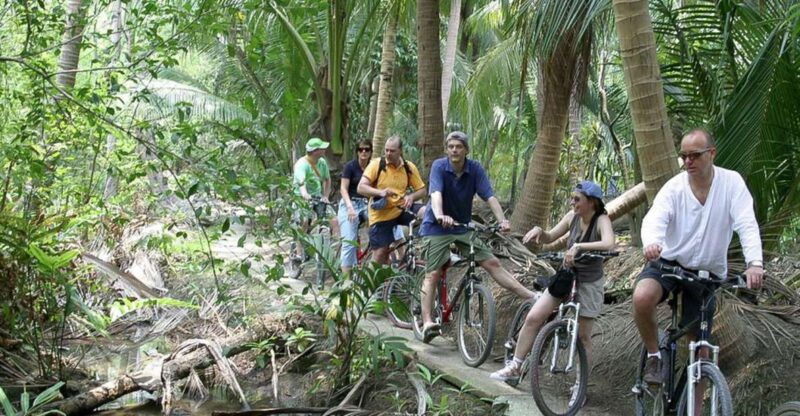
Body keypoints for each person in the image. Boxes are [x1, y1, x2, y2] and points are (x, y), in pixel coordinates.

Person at [633, 128, 764, 390]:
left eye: (694, 155)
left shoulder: (732, 183)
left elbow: (746, 224)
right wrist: (652, 243)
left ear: (711, 153)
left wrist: (755, 263)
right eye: (684, 156)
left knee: (701, 352)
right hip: (669, 262)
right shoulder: (675, 187)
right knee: (642, 296)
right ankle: (654, 356)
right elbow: (655, 218)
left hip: (706, 272)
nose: (688, 162)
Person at [490, 180, 615, 402]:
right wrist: (540, 231)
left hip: (589, 282)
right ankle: (516, 366)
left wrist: (579, 247)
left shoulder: (601, 219)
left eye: (577, 199)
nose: (572, 202)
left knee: (584, 336)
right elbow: (551, 236)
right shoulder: (571, 217)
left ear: (591, 202)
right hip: (567, 277)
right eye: (572, 198)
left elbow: (608, 243)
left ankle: (580, 385)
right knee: (535, 317)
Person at [418, 131, 538, 344]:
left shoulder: (475, 169)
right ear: (447, 149)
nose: (454, 150)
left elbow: (489, 196)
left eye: (459, 146)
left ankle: (530, 296)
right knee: (433, 273)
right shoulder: (439, 166)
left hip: (462, 227)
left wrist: (503, 221)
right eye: (451, 146)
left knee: (492, 262)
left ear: (466, 150)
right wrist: (439, 215)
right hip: (437, 227)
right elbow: (435, 194)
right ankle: (427, 321)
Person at [357, 135, 426, 265]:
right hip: (381, 215)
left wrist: (411, 197)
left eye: (392, 151)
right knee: (380, 253)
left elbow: (422, 190)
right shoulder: (377, 164)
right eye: (386, 150)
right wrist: (380, 192)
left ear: (400, 151)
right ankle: (370, 283)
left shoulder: (408, 167)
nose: (388, 153)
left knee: (427, 212)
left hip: (401, 208)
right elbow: (361, 187)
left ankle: (433, 249)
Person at [338, 140, 404, 275]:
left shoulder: (376, 166)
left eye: (367, 149)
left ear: (371, 152)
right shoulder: (350, 167)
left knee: (393, 224)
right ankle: (346, 283)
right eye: (361, 149)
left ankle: (403, 262)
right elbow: (343, 190)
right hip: (350, 204)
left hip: (369, 204)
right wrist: (350, 207)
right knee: (349, 243)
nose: (364, 152)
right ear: (357, 151)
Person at [291, 137, 338, 262]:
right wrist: (305, 195)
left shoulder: (322, 162)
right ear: (315, 151)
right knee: (304, 222)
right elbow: (301, 183)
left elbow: (327, 179)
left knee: (334, 219)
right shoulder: (302, 164)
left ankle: (335, 250)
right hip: (301, 197)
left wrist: (326, 196)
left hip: (318, 197)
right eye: (322, 148)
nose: (324, 149)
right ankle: (299, 252)